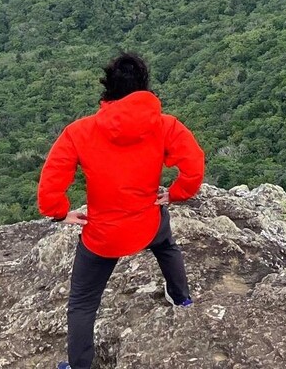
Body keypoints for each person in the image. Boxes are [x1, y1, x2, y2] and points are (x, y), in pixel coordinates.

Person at [38, 51, 206, 369]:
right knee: (166, 245)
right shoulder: (165, 126)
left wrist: (59, 212)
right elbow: (194, 166)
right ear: (144, 87)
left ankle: (79, 365)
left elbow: (51, 183)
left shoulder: (79, 132)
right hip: (148, 223)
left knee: (83, 303)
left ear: (108, 88)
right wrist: (175, 193)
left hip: (103, 237)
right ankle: (181, 297)